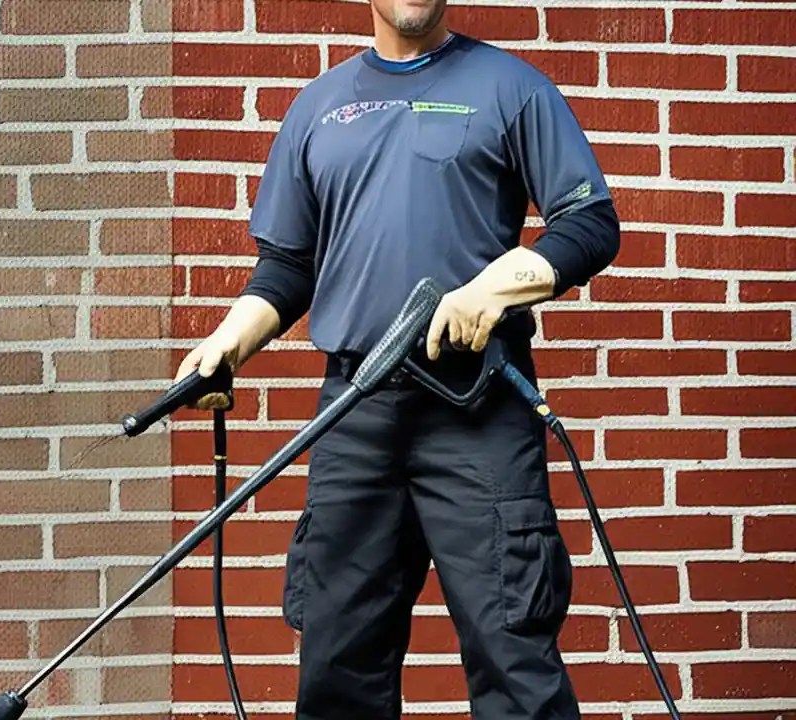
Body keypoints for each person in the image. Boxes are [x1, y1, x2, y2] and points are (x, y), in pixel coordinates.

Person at [174, 0, 621, 718]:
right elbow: (287, 267)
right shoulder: (318, 107)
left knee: (514, 652)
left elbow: (590, 223)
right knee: (338, 655)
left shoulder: (510, 87)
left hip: (478, 407)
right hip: (357, 410)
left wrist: (496, 285)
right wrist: (230, 339)